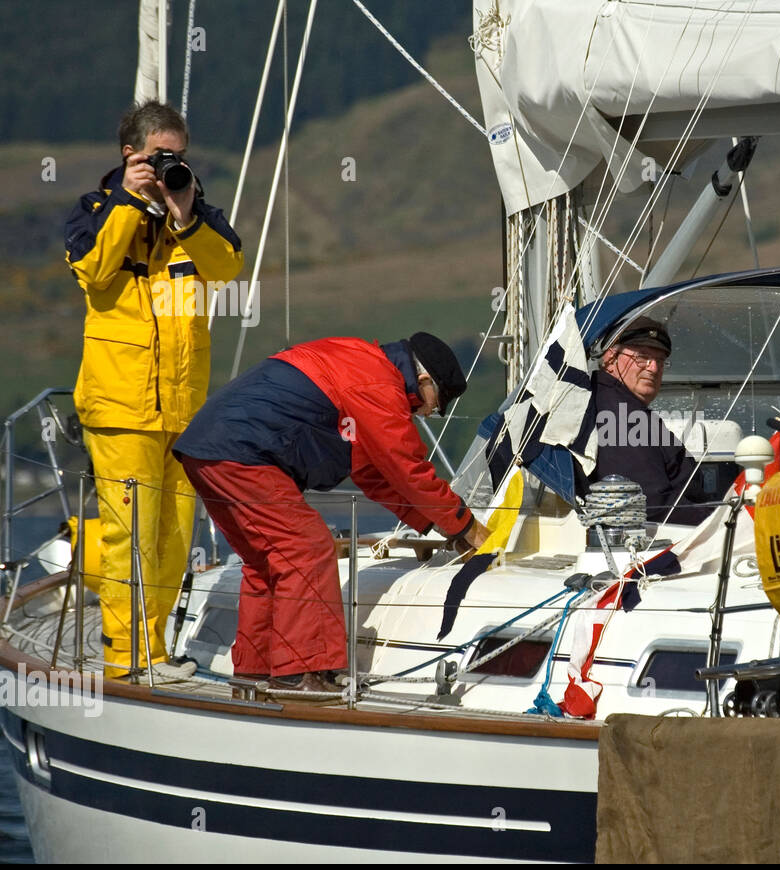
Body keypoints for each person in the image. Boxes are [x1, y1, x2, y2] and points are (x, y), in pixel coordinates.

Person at [173, 334, 490, 694]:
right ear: (423, 381)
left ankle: (254, 672)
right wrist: (465, 525)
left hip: (208, 449)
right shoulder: (378, 382)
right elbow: (407, 467)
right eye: (439, 400)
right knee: (306, 547)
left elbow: (376, 476)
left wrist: (437, 525)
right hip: (242, 452)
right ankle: (300, 673)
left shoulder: (360, 363)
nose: (433, 412)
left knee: (267, 563)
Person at [65, 100, 243, 682]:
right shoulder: (94, 210)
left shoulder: (192, 216)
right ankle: (125, 657)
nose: (172, 165)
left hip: (183, 409)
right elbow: (92, 269)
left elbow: (228, 269)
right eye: (160, 156)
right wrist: (128, 201)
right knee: (130, 535)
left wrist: (183, 214)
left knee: (171, 539)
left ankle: (156, 650)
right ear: (130, 155)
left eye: (180, 156)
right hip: (121, 405)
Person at [587, 317, 713, 525]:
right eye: (642, 357)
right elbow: (650, 504)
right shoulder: (618, 416)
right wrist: (720, 521)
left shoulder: (619, 405)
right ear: (610, 357)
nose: (653, 368)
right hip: (662, 542)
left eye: (660, 360)